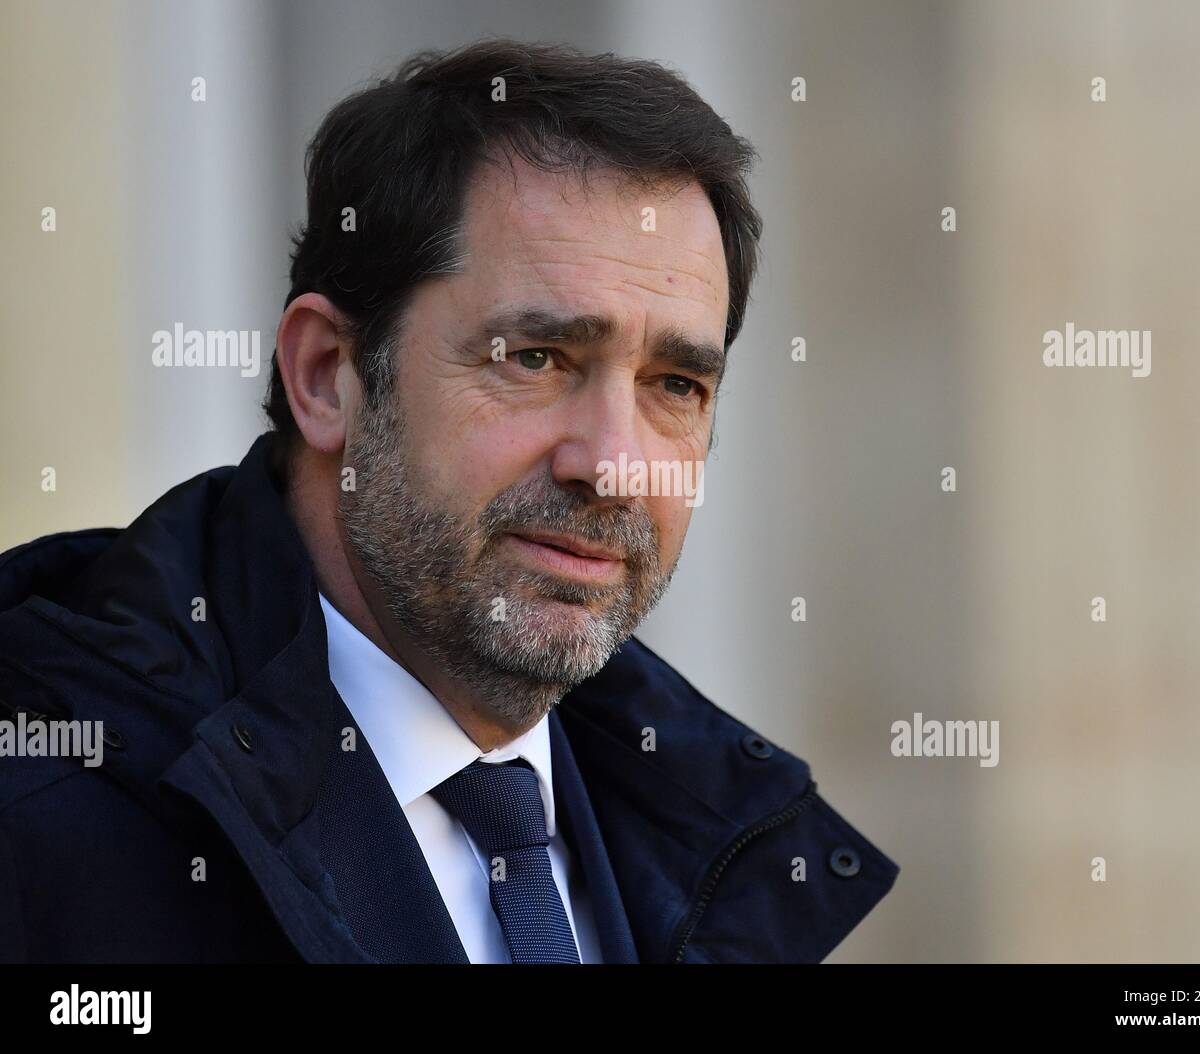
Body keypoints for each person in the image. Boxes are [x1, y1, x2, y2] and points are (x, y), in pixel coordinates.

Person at [0, 39, 898, 963]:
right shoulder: (44, 813)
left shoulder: (712, 838)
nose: (617, 466)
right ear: (326, 376)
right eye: (537, 360)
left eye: (674, 385)